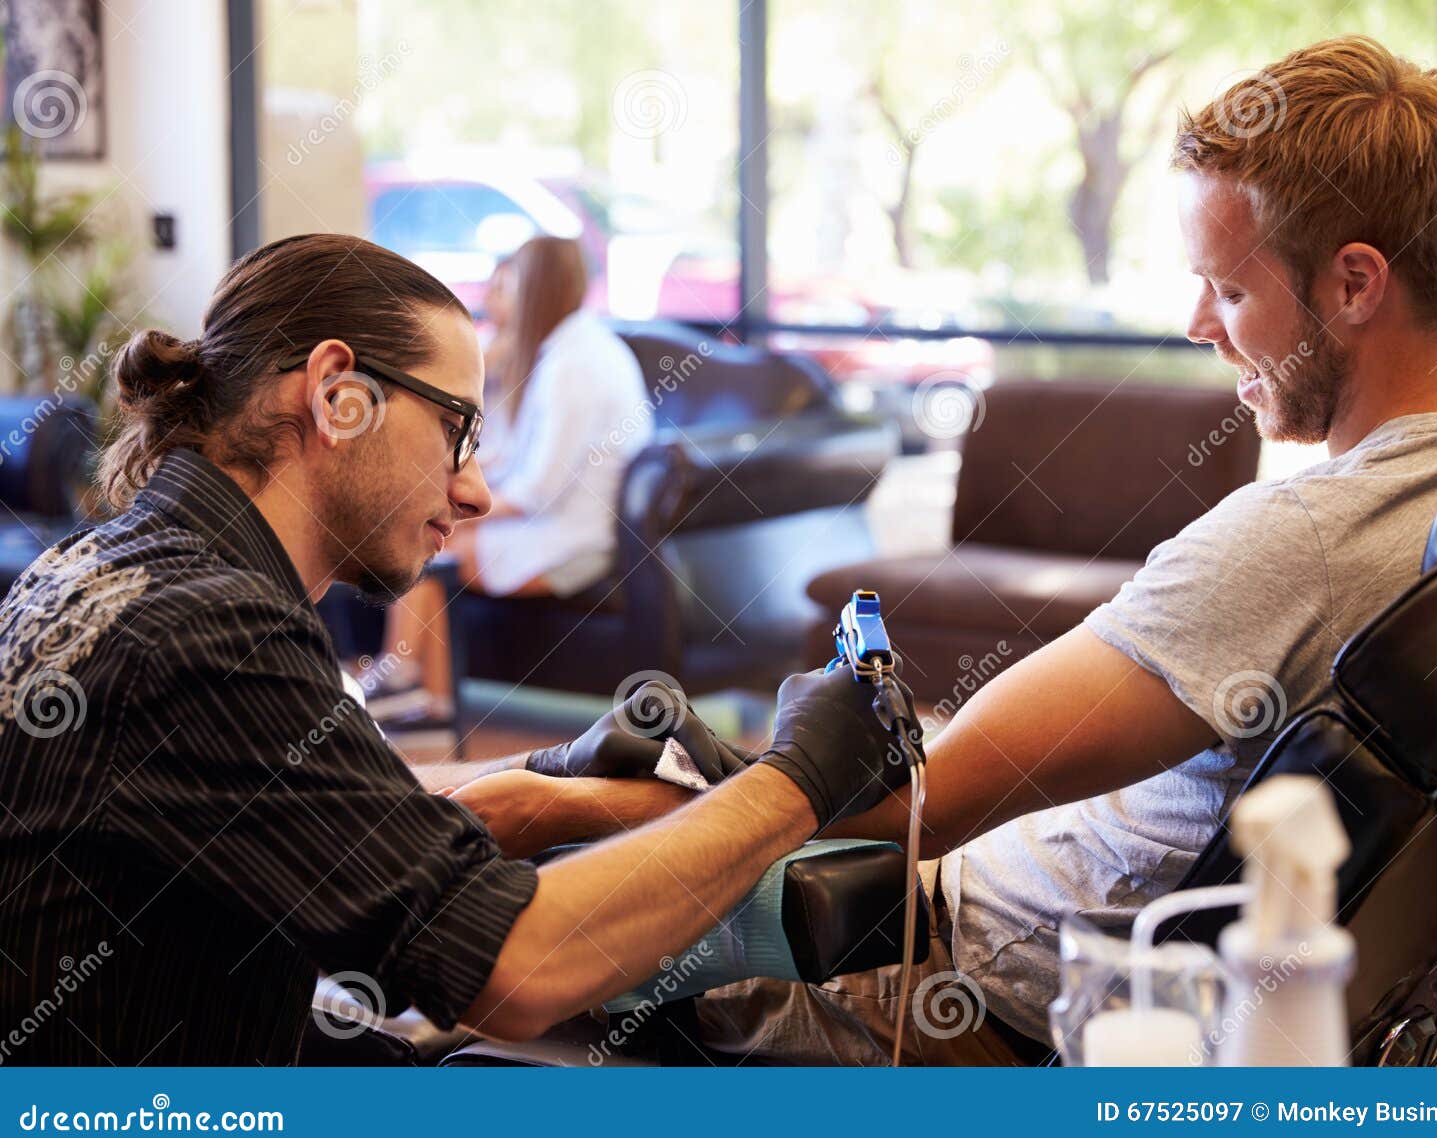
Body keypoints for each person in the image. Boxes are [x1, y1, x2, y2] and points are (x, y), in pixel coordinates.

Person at [445, 34, 1437, 1063]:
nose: (1198, 323)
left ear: (1355, 284)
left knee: (473, 925)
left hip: (930, 976)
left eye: (1229, 289)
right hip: (1045, 901)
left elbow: (914, 803)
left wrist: (559, 796)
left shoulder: (1296, 545)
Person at [0, 232, 909, 1065]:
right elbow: (519, 966)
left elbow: (310, 813)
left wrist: (544, 781)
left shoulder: (115, 566)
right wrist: (797, 778)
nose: (472, 489)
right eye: (456, 430)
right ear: (337, 395)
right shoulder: (211, 630)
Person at [375, 236, 652, 727]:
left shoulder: (573, 366)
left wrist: (455, 508)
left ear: (536, 288)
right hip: (562, 524)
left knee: (429, 541)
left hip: (572, 542)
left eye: (511, 284)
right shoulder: (573, 348)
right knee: (436, 533)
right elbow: (519, 464)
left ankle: (403, 679)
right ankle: (429, 698)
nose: (498, 298)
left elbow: (535, 492)